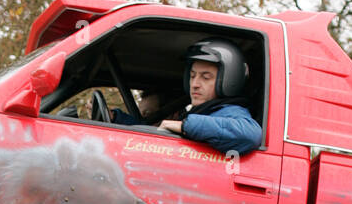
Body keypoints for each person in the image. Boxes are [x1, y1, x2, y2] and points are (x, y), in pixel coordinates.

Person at [111, 39, 263, 157]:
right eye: (192, 76)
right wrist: (116, 118)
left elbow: (251, 135)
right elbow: (152, 131)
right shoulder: (204, 112)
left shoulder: (230, 111)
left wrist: (184, 126)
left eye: (205, 77)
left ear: (229, 81)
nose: (195, 84)